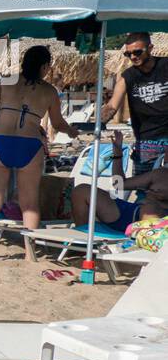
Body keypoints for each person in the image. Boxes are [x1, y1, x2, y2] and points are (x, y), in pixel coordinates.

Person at [0, 45, 75, 263]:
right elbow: (57, 123)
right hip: (30, 144)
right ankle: (30, 255)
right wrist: (72, 131)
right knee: (29, 203)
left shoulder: (8, 80)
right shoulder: (49, 90)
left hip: (0, 141)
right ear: (45, 66)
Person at [71, 129, 168, 233]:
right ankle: (83, 241)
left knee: (151, 210)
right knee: (81, 191)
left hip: (154, 221)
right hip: (130, 213)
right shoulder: (160, 174)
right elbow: (119, 185)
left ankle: (143, 242)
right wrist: (117, 155)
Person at [100, 32, 168, 174]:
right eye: (128, 54)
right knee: (143, 186)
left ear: (150, 48)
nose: (132, 57)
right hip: (146, 140)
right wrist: (100, 121)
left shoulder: (165, 66)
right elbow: (112, 105)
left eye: (137, 52)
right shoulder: (128, 76)